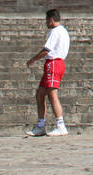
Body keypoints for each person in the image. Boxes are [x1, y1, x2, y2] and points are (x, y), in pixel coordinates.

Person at [25, 8, 70, 137]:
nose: (45, 23)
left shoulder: (55, 31)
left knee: (52, 94)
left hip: (54, 63)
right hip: (54, 64)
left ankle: (60, 125)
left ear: (51, 20)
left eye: (46, 20)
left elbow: (47, 50)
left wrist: (33, 59)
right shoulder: (63, 31)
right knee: (40, 94)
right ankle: (40, 125)